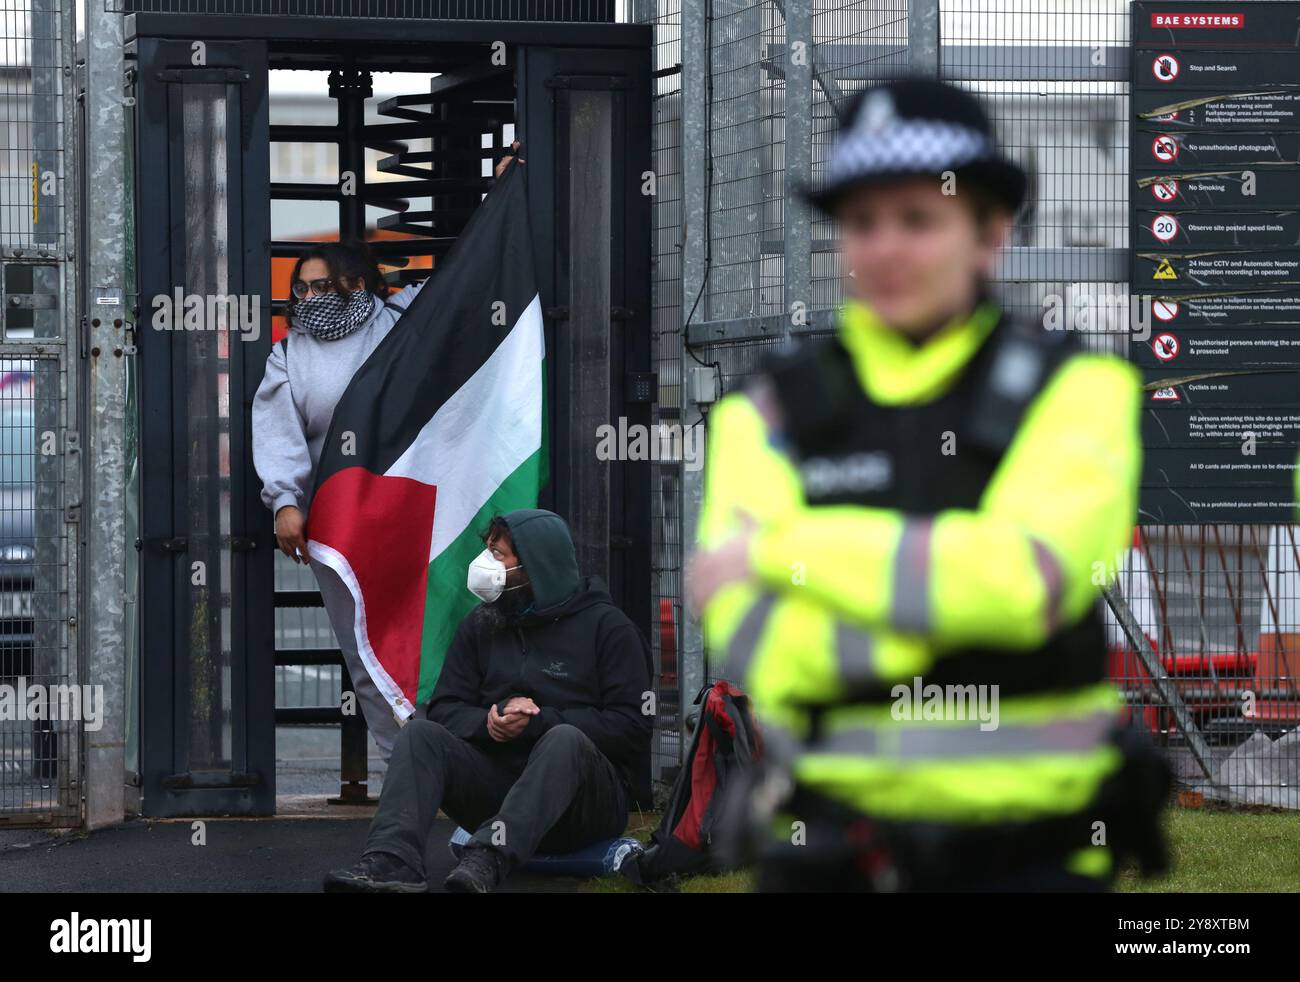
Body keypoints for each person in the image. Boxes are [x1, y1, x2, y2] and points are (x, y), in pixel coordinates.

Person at [686, 76, 1168, 891]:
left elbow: (1029, 583)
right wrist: (954, 601)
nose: (885, 248)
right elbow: (760, 646)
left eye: (919, 219)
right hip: (829, 853)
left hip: (1032, 858)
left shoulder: (1077, 392)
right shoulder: (765, 410)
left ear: (991, 233)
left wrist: (785, 548)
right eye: (862, 222)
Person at [252, 145, 524, 758]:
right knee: (366, 647)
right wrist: (284, 503)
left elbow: (470, 274)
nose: (305, 297)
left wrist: (503, 196)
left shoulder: (405, 318)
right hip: (341, 527)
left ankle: (465, 759)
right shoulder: (288, 355)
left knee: (441, 631)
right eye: (299, 288)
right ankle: (404, 767)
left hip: (418, 513)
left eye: (319, 285)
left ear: (356, 282)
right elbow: (277, 431)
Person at [323, 508, 653, 893]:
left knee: (564, 738)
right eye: (489, 550)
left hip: (582, 805)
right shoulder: (482, 623)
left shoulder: (609, 629)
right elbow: (444, 709)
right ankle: (391, 861)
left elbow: (633, 727)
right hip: (500, 790)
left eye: (499, 554)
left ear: (534, 564)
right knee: (420, 735)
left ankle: (488, 858)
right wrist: (490, 724)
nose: (485, 563)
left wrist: (541, 721)